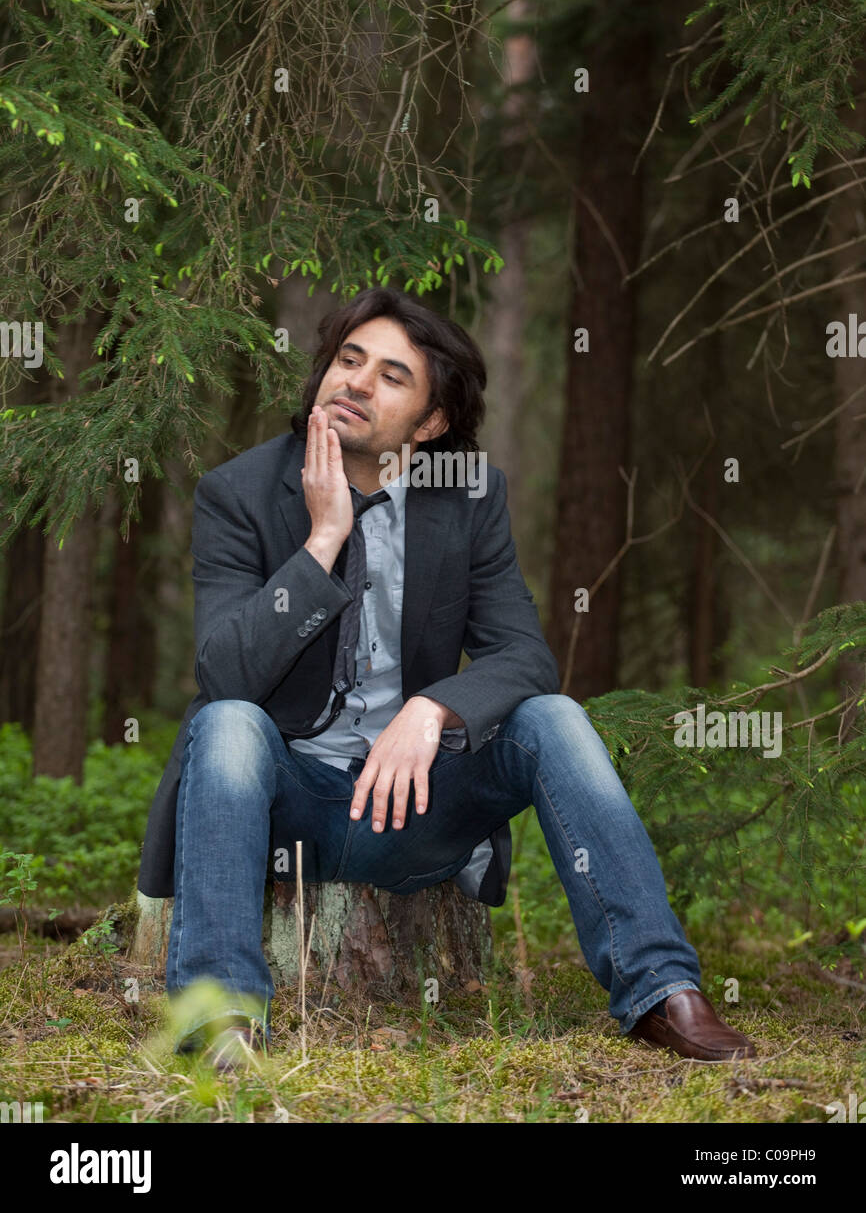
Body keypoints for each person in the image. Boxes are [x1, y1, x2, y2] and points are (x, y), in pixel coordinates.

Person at [138, 287, 756, 1071]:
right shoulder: (241, 493)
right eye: (348, 360)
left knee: (554, 717)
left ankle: (660, 990)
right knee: (225, 722)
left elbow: (524, 656)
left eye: (393, 376)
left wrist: (434, 708)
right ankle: (219, 1018)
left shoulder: (468, 496)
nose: (356, 382)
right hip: (283, 803)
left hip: (413, 805)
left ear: (431, 424)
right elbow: (225, 673)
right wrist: (323, 539)